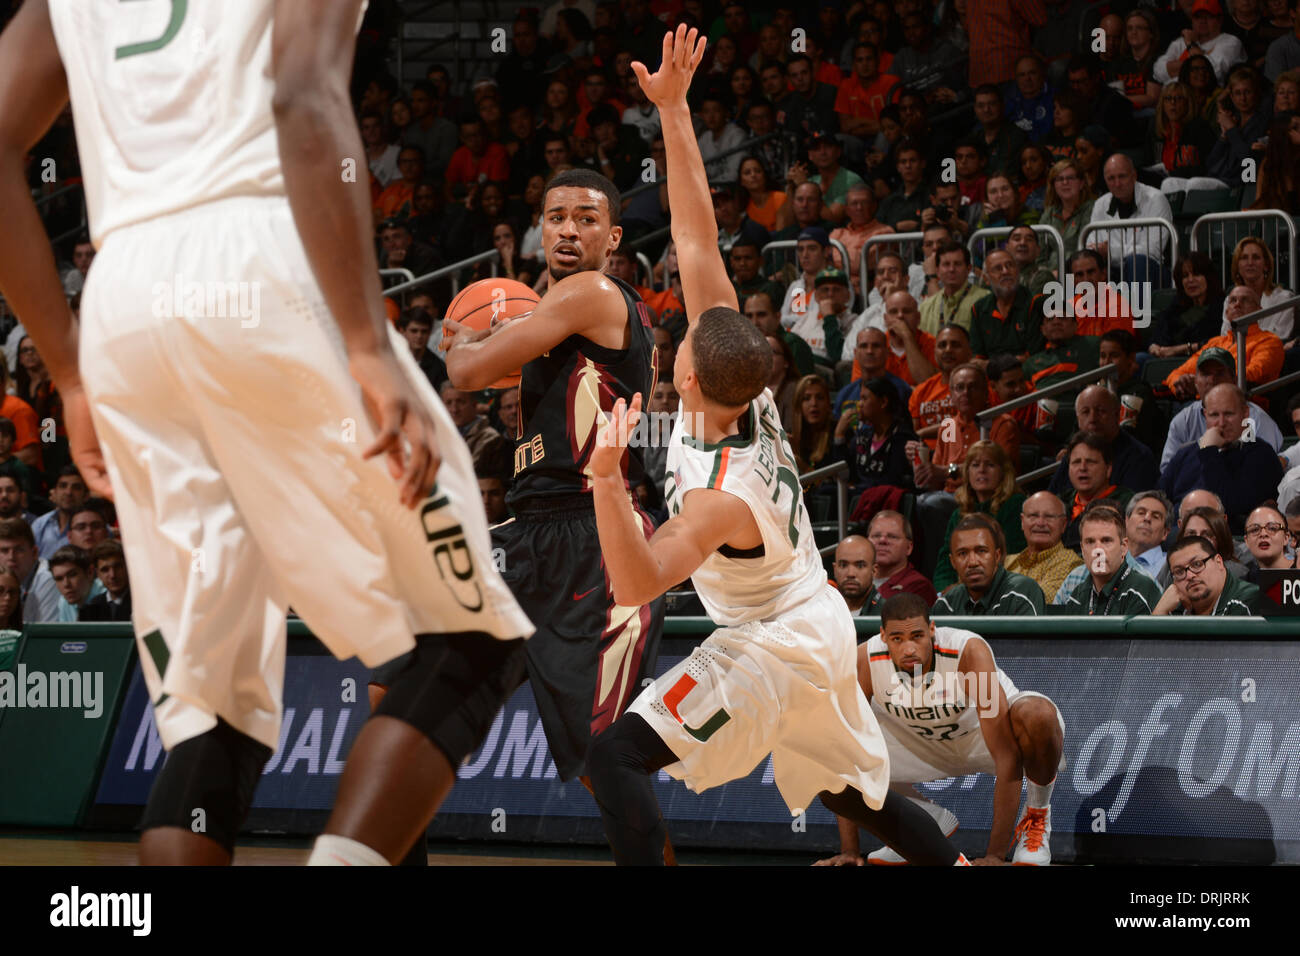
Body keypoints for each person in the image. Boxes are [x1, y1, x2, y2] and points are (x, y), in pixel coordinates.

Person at [0, 0, 539, 868]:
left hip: (122, 295)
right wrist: (366, 342)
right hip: (259, 256)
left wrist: (67, 371)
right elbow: (300, 93)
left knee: (215, 705)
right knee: (469, 639)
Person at [586, 25, 965, 869]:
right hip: (814, 615)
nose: (674, 334)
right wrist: (675, 112)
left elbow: (639, 580)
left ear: (687, 381)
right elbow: (695, 240)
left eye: (679, 342)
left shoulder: (724, 496)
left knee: (612, 759)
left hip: (775, 639)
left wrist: (608, 477)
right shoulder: (742, 381)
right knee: (847, 791)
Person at [1160, 384, 1285, 529]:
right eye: (1214, 415)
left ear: (1245, 414)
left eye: (1229, 414)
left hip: (1226, 539)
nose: (1221, 423)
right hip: (1174, 534)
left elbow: (1229, 506)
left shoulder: (1261, 455)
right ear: (1205, 416)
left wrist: (1209, 452)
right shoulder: (1186, 453)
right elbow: (1161, 498)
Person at [1161, 346, 1283, 469]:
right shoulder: (1183, 420)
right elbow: (1168, 471)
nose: (1212, 379)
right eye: (1205, 374)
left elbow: (1265, 471)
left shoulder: (1257, 419)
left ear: (1234, 380)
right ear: (1196, 382)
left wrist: (1205, 453)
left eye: (1220, 373)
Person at [932, 440, 1029, 591]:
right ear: (967, 472)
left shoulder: (1015, 505)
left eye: (990, 465)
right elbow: (945, 563)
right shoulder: (958, 514)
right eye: (975, 465)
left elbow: (1011, 560)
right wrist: (944, 590)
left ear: (1003, 472)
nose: (982, 470)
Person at [1085, 154, 1175, 286]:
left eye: (1122, 176)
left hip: (1151, 272)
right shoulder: (1100, 204)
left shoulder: (1156, 199)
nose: (1117, 183)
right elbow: (1092, 246)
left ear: (1134, 176)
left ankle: (1137, 307)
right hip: (1113, 272)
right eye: (1111, 178)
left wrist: (1110, 252)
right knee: (1083, 266)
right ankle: (1083, 306)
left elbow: (1152, 250)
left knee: (1137, 262)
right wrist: (1101, 252)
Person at [933, 514, 1046, 616]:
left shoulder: (1020, 592)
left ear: (997, 556)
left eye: (981, 551)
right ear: (953, 562)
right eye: (962, 553)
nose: (973, 562)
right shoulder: (946, 604)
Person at [1062, 504, 1163, 613]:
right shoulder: (1077, 594)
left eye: (1106, 541)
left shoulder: (1141, 588)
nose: (1098, 550)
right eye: (1090, 542)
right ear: (1082, 549)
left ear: (1124, 547)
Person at [1005, 491, 1085, 598]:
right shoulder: (1006, 561)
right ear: (1022, 522)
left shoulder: (1071, 564)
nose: (1040, 523)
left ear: (1063, 524)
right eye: (1033, 516)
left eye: (1049, 517)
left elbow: (1036, 602)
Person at [1147, 253, 1227, 359]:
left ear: (1208, 278)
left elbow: (1218, 343)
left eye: (1196, 274)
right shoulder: (1176, 305)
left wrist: (1180, 349)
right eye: (1185, 276)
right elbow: (1158, 334)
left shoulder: (1222, 306)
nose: (1190, 280)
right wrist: (1154, 346)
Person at [1155, 534, 1260, 615]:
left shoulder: (1249, 600)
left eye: (1197, 564)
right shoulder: (1172, 607)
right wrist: (1159, 613)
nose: (1190, 576)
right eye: (1179, 572)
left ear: (1218, 562)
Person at [1099, 329, 1166, 456]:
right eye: (1103, 356)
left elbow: (1128, 438)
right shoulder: (1095, 391)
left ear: (1130, 358)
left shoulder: (1140, 393)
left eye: (1114, 356)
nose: (1106, 362)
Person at [1216, 237, 1294, 342]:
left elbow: (1279, 339)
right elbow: (1225, 339)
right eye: (1244, 258)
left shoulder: (1284, 299)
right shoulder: (1229, 300)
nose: (1250, 263)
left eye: (1256, 257)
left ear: (1266, 265)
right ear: (1237, 266)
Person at [970, 252, 1046, 359]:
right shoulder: (979, 308)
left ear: (1018, 272)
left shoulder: (1036, 303)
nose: (1005, 271)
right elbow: (978, 356)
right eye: (998, 268)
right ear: (986, 279)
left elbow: (1034, 356)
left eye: (1010, 265)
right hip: (989, 373)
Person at [1153, 0, 1247, 85]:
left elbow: (1214, 71)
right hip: (1174, 99)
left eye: (1208, 17)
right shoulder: (1180, 42)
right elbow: (1158, 72)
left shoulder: (1231, 42)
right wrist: (1194, 67)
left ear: (1219, 20)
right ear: (1192, 21)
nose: (1202, 21)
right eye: (1198, 17)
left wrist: (1191, 45)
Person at [867, 510, 939, 605]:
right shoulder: (855, 579)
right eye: (876, 536)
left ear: (909, 547)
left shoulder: (919, 587)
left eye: (892, 537)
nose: (882, 540)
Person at [918, 242, 989, 335]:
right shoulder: (926, 307)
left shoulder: (985, 300)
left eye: (957, 264)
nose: (951, 269)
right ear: (938, 271)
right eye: (946, 264)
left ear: (968, 269)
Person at [0, 517, 59, 624]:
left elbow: (45, 632)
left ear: (34, 553)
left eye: (19, 550)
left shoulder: (48, 579)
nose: (11, 557)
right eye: (4, 551)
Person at [1126, 490, 1175, 582]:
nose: (1147, 518)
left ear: (1165, 533)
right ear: (1126, 521)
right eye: (1141, 513)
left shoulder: (1171, 564)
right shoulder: (1110, 557)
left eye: (1155, 516)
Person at [79, 539, 132, 623]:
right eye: (105, 570)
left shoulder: (144, 605)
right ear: (97, 574)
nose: (112, 575)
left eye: (117, 567)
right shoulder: (90, 609)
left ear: (127, 567)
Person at [833, 535, 880, 614]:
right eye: (843, 565)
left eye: (860, 566)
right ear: (835, 569)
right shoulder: (820, 611)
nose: (850, 574)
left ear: (874, 571)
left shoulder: (888, 614)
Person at [1244, 504, 1296, 574]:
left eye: (1272, 528)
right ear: (1247, 541)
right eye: (1255, 529)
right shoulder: (1243, 582)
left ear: (1286, 538)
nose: (1263, 534)